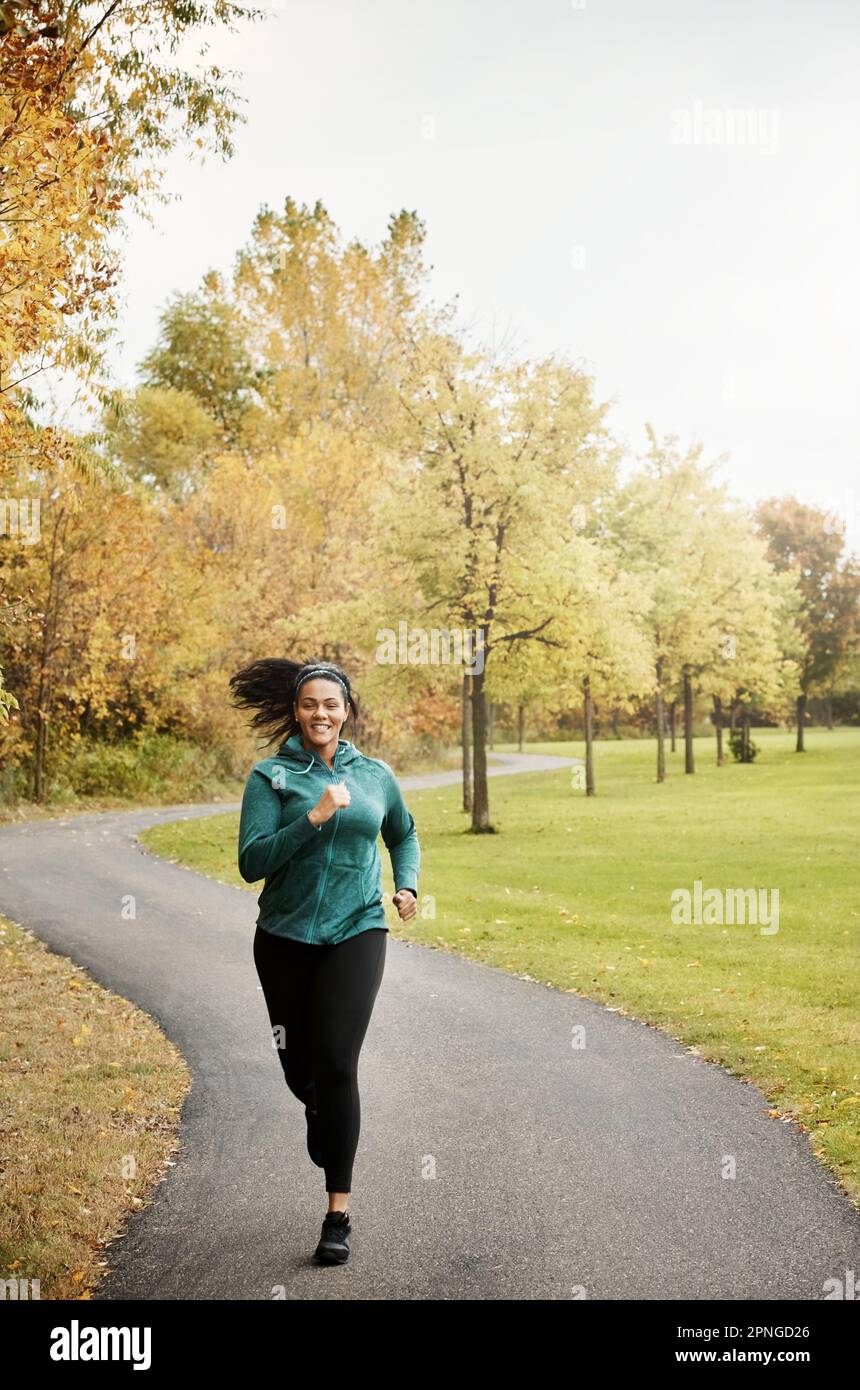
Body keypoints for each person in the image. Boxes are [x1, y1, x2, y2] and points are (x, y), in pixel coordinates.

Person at [229, 657, 420, 1266]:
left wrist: (407, 884)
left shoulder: (375, 776)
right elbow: (252, 862)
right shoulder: (271, 777)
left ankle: (337, 1211)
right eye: (310, 704)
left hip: (358, 928)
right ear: (296, 711)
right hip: (283, 938)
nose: (321, 713)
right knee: (300, 1070)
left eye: (331, 704)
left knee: (338, 1062)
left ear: (346, 711)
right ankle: (316, 1103)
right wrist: (312, 819)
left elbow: (403, 834)